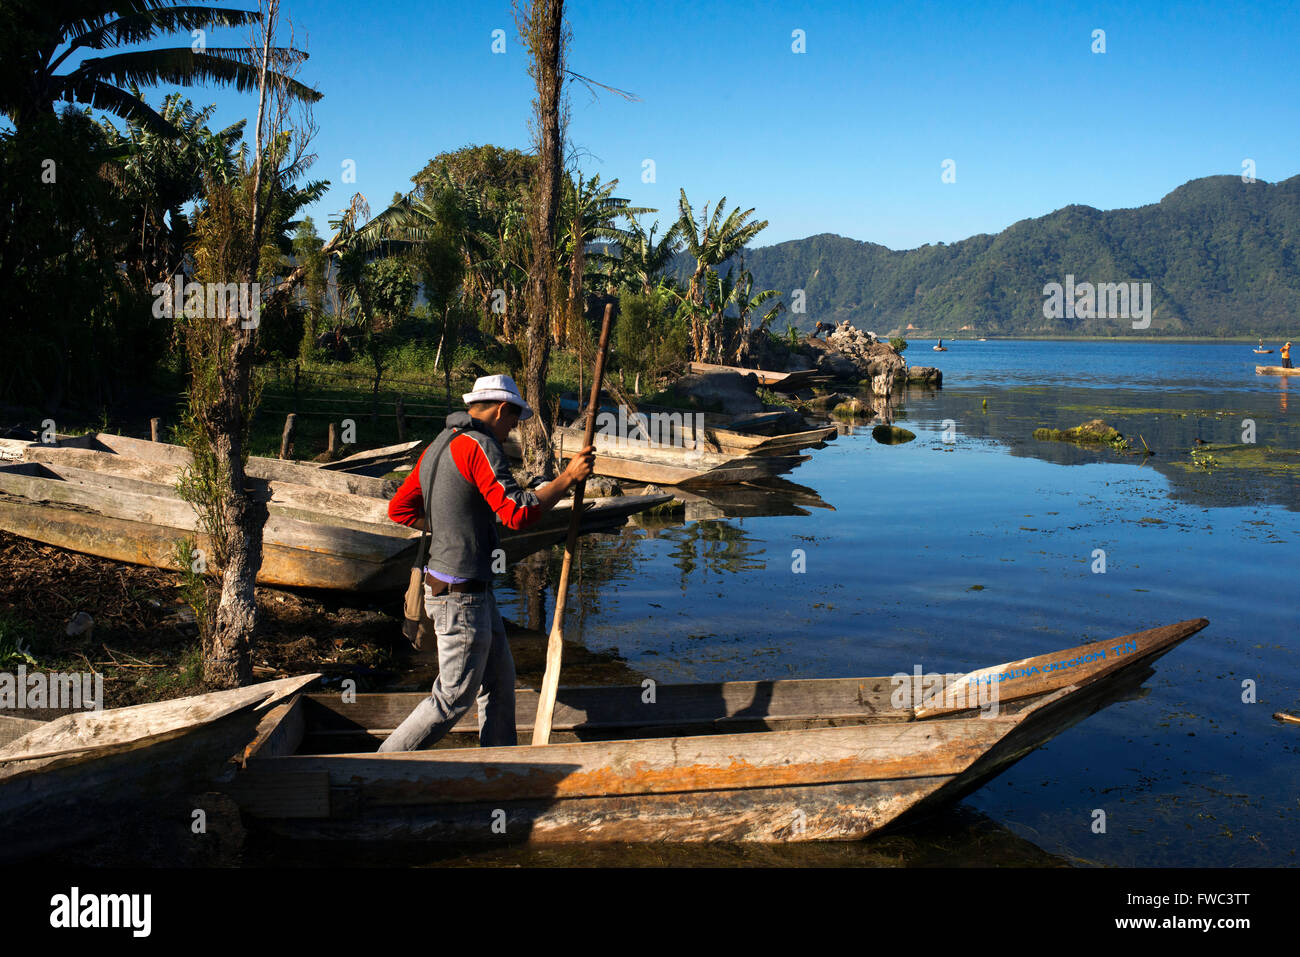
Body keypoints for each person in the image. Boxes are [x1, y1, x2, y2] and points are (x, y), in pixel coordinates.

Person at [380, 374, 594, 751]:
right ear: (500, 409)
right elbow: (517, 513)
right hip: (461, 598)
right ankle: (379, 766)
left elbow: (400, 509)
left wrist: (451, 526)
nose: (514, 428)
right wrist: (567, 479)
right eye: (514, 419)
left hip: (463, 591)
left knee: (498, 682)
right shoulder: (480, 446)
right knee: (453, 698)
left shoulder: (438, 445)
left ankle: (498, 762)